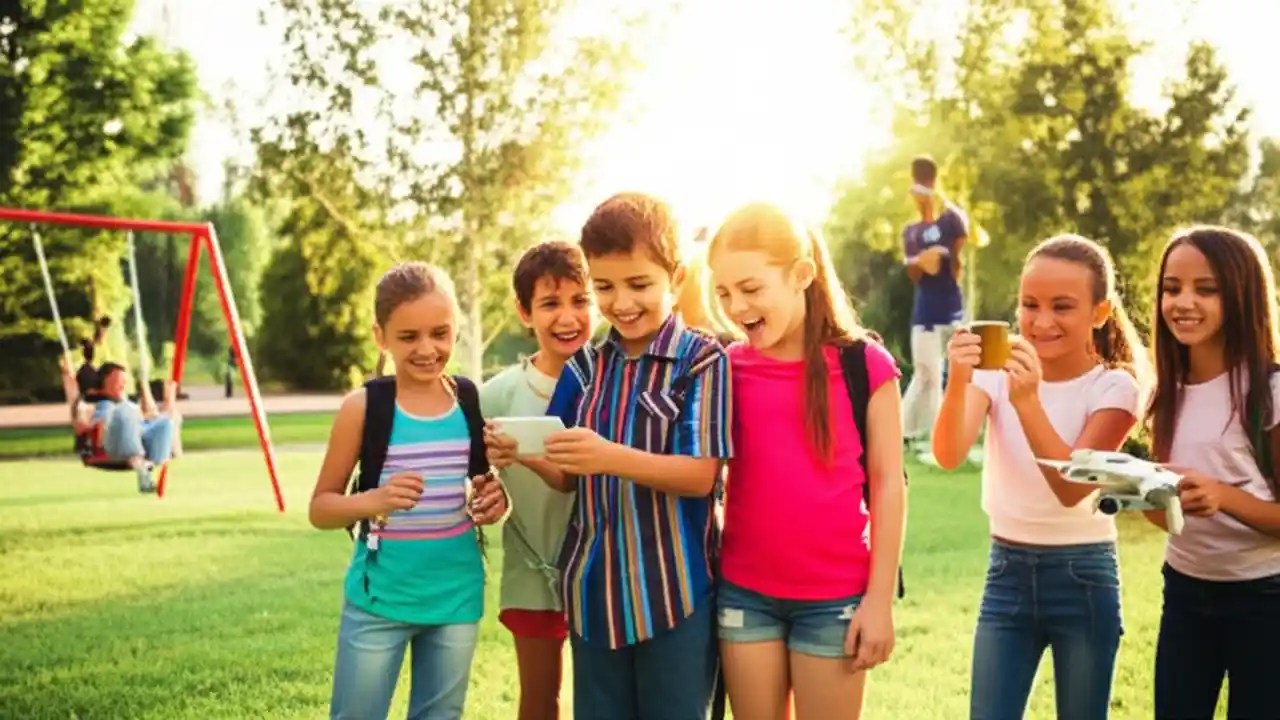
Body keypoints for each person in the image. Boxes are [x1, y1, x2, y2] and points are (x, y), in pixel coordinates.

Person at [487, 192, 733, 720]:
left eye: (639, 284)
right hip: (593, 594)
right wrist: (524, 454)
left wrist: (608, 455)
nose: (621, 303)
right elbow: (568, 475)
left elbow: (699, 476)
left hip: (676, 594)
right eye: (604, 287)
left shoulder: (703, 360)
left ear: (677, 277)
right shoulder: (585, 368)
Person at [931, 234, 1149, 719]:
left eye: (1062, 306)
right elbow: (948, 454)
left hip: (1083, 576)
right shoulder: (995, 373)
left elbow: (1071, 486)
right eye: (1030, 304)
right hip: (1006, 570)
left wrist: (1026, 400)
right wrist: (960, 380)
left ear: (1099, 312)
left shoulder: (1114, 387)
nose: (1041, 321)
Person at [706, 202, 907, 720]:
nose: (736, 306)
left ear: (801, 275)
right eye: (723, 292)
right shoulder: (724, 369)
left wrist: (879, 602)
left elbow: (888, 485)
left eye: (750, 289)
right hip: (745, 594)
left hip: (836, 600)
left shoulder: (866, 365)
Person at [308, 261, 511, 720]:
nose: (427, 349)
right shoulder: (363, 407)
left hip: (456, 597)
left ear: (455, 329)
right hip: (379, 599)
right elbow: (321, 508)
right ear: (381, 336)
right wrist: (374, 500)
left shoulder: (467, 400)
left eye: (440, 333)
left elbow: (483, 489)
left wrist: (497, 502)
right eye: (408, 337)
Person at [1144, 226, 1280, 718]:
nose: (1183, 302)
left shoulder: (1269, 391)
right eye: (1171, 287)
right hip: (1184, 592)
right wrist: (1143, 495)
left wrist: (1223, 496)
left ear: (1242, 297)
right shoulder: (1165, 393)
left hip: (1265, 600)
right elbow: (1168, 519)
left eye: (1207, 289)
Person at [479, 240, 594, 720]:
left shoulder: (611, 381)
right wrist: (487, 493)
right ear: (525, 312)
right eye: (550, 303)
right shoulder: (497, 396)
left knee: (600, 700)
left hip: (600, 572)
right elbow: (478, 484)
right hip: (534, 571)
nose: (567, 316)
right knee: (540, 699)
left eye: (579, 300)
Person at [901, 155, 969, 456]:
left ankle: (943, 435)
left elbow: (955, 260)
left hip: (952, 310)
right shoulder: (911, 232)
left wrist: (938, 252)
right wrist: (930, 255)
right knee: (926, 373)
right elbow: (920, 272)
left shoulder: (951, 218)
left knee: (958, 374)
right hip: (925, 314)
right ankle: (914, 434)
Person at [68, 360, 183, 493]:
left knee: (165, 421)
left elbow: (149, 416)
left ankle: (152, 464)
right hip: (112, 447)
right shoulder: (99, 404)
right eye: (119, 381)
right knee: (125, 411)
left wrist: (169, 398)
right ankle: (141, 462)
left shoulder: (122, 405)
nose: (123, 385)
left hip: (138, 439)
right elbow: (91, 427)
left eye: (124, 381)